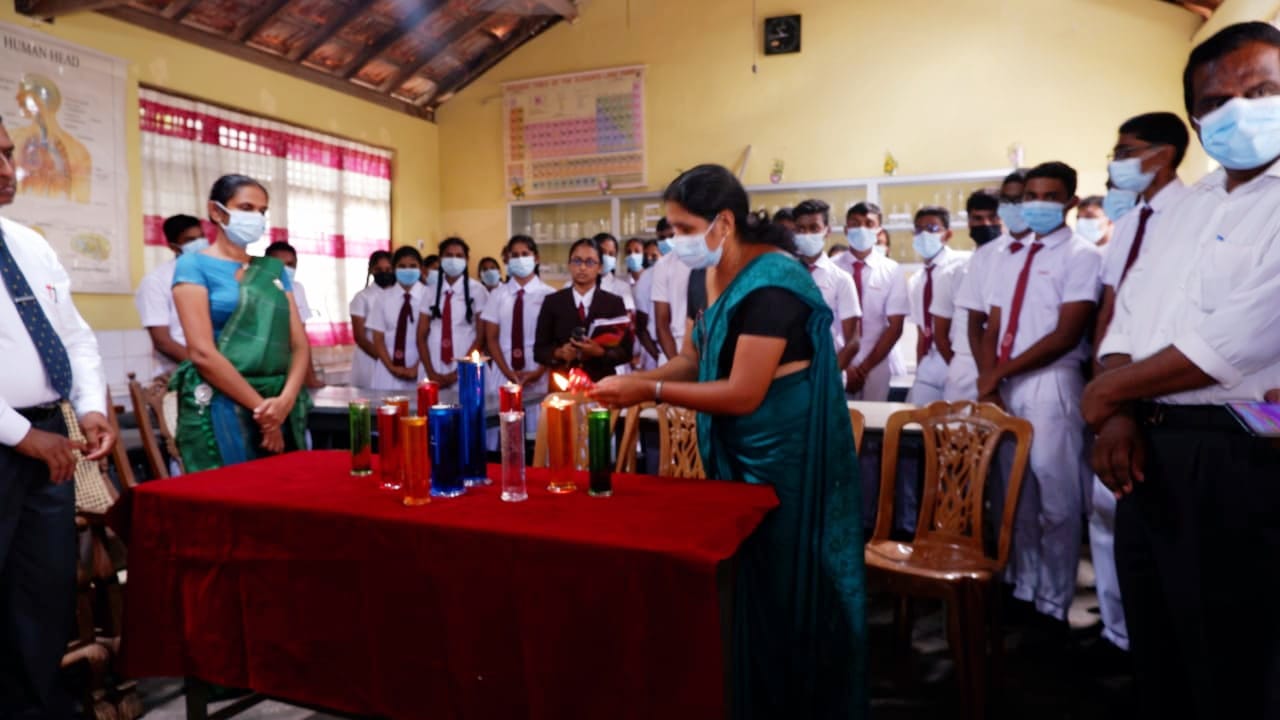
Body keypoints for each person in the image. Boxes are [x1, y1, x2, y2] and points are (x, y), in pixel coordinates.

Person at [591, 164, 866, 719]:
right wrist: (637, 380)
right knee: (744, 581)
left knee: (787, 580)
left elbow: (743, 392)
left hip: (784, 455)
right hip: (736, 448)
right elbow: (695, 357)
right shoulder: (705, 273)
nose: (675, 241)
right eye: (669, 228)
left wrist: (650, 392)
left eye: (683, 228)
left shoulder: (774, 284)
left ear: (724, 221)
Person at [1084, 22, 1280, 718]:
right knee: (1160, 647)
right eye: (1218, 102)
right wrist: (1117, 411)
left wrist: (1106, 391)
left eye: (1261, 90)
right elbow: (1131, 318)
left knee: (1234, 660)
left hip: (1245, 445)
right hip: (1146, 446)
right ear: (1196, 121)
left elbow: (1244, 336)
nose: (1241, 111)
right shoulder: (1187, 207)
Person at [0, 118, 113, 720]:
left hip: (51, 439)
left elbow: (75, 336)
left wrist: (91, 405)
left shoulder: (29, 243)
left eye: (8, 152)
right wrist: (21, 435)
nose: (6, 167)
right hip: (19, 439)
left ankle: (36, 709)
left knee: (41, 594)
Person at [977, 161, 1100, 643]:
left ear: (1070, 202)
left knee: (1057, 499)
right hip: (1006, 388)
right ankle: (1023, 587)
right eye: (1031, 195)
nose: (1037, 204)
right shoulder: (1009, 254)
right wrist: (991, 382)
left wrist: (999, 373)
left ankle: (1053, 600)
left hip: (1052, 383)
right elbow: (991, 323)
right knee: (1015, 497)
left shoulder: (1083, 255)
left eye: (1050, 196)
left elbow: (1066, 333)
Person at [1086, 110, 1192, 666]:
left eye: (1128, 150)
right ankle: (1117, 629)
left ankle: (1153, 641)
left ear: (1164, 154)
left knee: (1171, 534)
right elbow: (1112, 311)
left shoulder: (1196, 213)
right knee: (1109, 517)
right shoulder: (1128, 222)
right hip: (1116, 389)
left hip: (1168, 396)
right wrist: (1106, 386)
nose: (1118, 160)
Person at [171, 174, 312, 472]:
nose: (256, 218)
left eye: (262, 211)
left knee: (283, 498)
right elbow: (201, 353)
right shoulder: (193, 266)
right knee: (230, 498)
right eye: (246, 207)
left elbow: (299, 345)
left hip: (278, 401)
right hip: (220, 402)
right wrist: (263, 410)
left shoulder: (273, 271)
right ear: (217, 211)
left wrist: (284, 403)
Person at [832, 202, 909, 400]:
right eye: (855, 223)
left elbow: (895, 326)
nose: (861, 229)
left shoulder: (892, 270)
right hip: (835, 361)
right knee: (836, 424)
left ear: (878, 230)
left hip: (876, 363)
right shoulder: (830, 269)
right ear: (846, 229)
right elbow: (823, 322)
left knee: (874, 423)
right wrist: (844, 367)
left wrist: (864, 368)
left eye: (869, 223)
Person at [961, 172, 1029, 391]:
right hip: (984, 366)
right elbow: (979, 324)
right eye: (1008, 201)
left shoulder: (1069, 253)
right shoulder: (988, 255)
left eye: (992, 217)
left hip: (1036, 367)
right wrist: (988, 376)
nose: (985, 224)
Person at [935, 191, 1003, 401]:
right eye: (977, 218)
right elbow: (942, 334)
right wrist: (960, 364)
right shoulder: (956, 270)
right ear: (968, 222)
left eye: (992, 218)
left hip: (1005, 364)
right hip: (964, 364)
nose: (985, 224)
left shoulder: (1014, 261)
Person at [533, 238, 632, 383]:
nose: (583, 267)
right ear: (569, 265)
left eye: (590, 262)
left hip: (602, 383)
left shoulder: (613, 303)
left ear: (599, 267)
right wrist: (559, 353)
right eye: (577, 261)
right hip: (563, 384)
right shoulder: (553, 302)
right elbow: (539, 351)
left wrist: (600, 352)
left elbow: (626, 352)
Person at [906, 206, 968, 405]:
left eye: (932, 228)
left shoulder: (962, 265)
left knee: (958, 427)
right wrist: (920, 365)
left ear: (947, 234)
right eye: (918, 229)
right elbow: (921, 331)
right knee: (921, 425)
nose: (924, 234)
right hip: (930, 359)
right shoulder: (916, 279)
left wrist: (956, 364)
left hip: (957, 357)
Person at [792, 199, 862, 374]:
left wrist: (828, 375)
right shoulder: (784, 274)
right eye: (801, 229)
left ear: (827, 231)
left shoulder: (841, 280)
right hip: (789, 374)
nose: (807, 234)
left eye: (814, 228)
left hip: (827, 371)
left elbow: (853, 342)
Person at [484, 235, 554, 399]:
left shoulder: (549, 295)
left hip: (537, 367)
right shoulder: (497, 294)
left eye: (525, 254)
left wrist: (538, 372)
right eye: (515, 255)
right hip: (504, 368)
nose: (520, 259)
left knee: (536, 420)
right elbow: (491, 338)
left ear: (536, 258)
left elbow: (553, 340)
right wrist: (507, 372)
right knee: (504, 420)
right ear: (508, 259)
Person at [135, 214, 205, 377]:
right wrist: (206, 368)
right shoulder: (156, 281)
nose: (199, 244)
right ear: (173, 246)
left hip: (221, 371)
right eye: (190, 240)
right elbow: (163, 342)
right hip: (182, 374)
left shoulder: (211, 273)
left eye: (201, 237)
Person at [419, 238, 489, 389]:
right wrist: (430, 372)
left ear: (467, 259)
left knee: (466, 407)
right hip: (433, 361)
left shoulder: (477, 290)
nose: (453, 260)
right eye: (449, 255)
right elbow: (421, 336)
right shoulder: (430, 290)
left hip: (466, 359)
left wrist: (459, 371)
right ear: (440, 259)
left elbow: (481, 336)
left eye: (459, 256)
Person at [366, 246, 427, 391]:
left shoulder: (430, 297)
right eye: (402, 266)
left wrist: (416, 367)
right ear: (394, 268)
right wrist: (391, 367)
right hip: (387, 369)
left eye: (412, 266)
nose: (407, 270)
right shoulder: (382, 298)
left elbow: (430, 338)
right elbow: (378, 338)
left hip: (421, 366)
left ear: (421, 269)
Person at [265, 240, 323, 389]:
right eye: (281, 264)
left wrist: (310, 377)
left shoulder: (297, 289)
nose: (286, 269)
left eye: (291, 264)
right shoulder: (255, 288)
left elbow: (302, 338)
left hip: (291, 369)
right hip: (262, 367)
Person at [349, 250, 395, 388]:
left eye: (388, 269)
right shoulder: (362, 297)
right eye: (379, 269)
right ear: (371, 270)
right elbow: (360, 337)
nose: (384, 272)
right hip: (370, 358)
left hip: (395, 358)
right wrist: (384, 359)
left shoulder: (398, 295)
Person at [592, 232, 636, 313]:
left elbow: (627, 317)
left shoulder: (622, 287)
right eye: (602, 252)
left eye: (611, 254)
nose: (606, 257)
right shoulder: (571, 285)